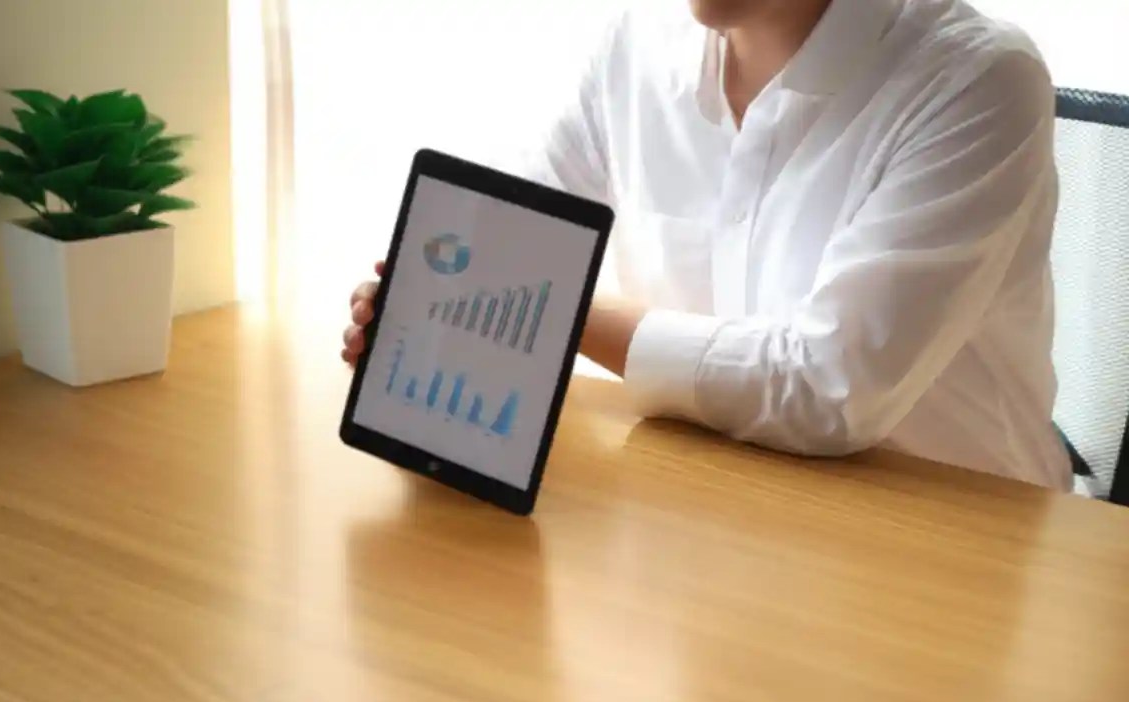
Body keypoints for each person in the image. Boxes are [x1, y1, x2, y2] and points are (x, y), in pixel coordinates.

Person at [341, 0, 1073, 490]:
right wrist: (432, 317)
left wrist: (538, 301)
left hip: (952, 544)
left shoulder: (978, 79)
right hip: (715, 504)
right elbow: (514, 240)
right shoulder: (637, 46)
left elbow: (827, 390)